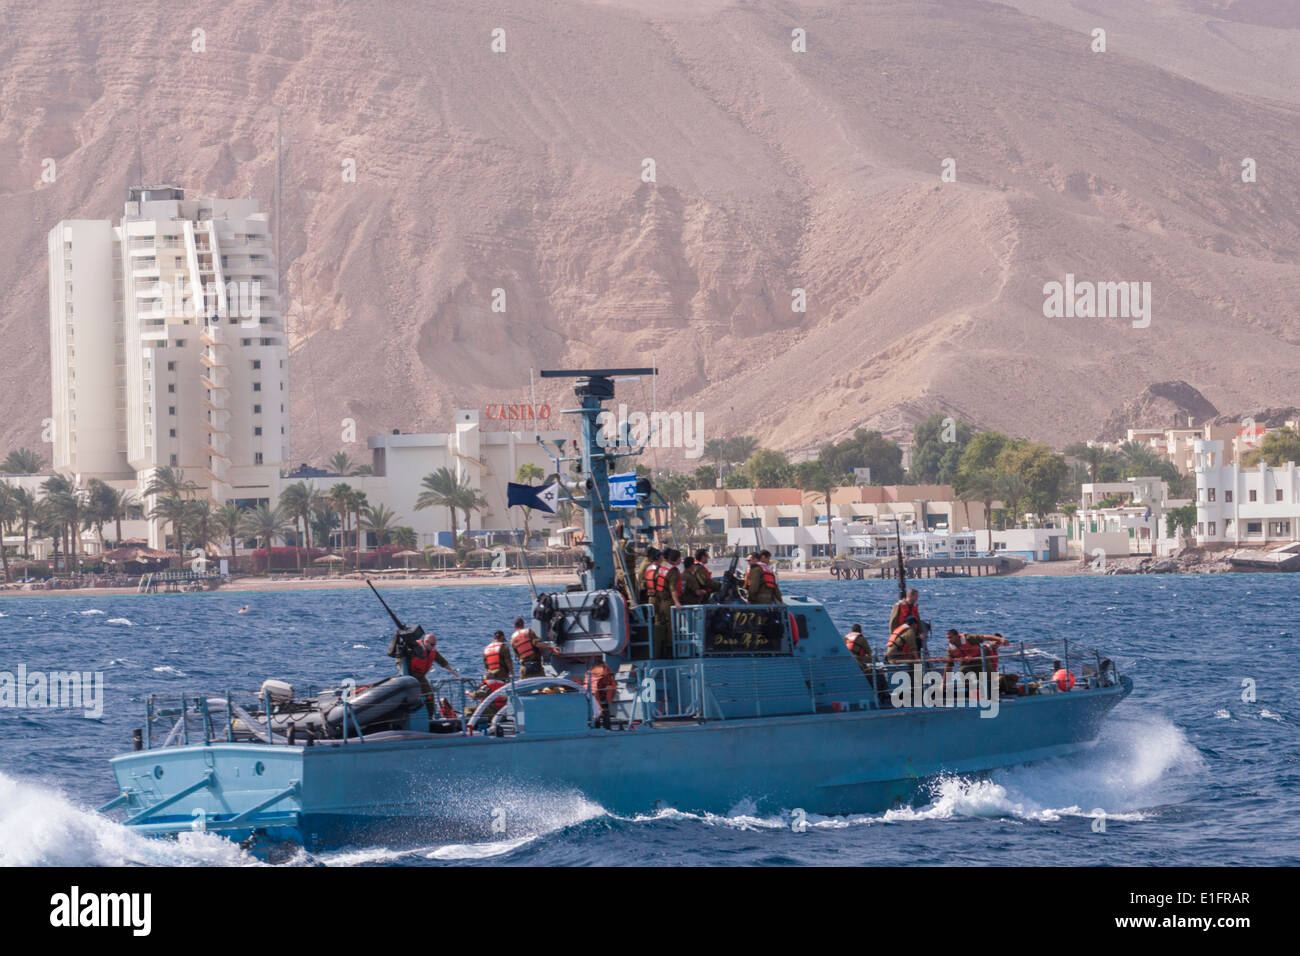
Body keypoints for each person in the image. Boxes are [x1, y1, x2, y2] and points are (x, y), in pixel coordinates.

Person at [406, 633, 461, 717]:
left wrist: (452, 671)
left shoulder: (432, 650)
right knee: (428, 694)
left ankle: (429, 716)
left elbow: (441, 660)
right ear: (426, 642)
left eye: (435, 644)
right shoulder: (416, 647)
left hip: (421, 675)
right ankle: (427, 716)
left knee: (429, 695)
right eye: (432, 644)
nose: (434, 646)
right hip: (413, 674)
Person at [648, 548, 683, 658]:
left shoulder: (661, 567)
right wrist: (677, 602)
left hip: (658, 601)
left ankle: (657, 651)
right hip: (668, 602)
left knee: (658, 625)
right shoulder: (673, 571)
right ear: (676, 559)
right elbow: (673, 589)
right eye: (680, 558)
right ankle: (670, 651)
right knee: (672, 626)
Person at [585, 656, 617, 729]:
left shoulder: (603, 677)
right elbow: (595, 690)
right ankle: (600, 727)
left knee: (604, 713)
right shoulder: (598, 676)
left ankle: (604, 727)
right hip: (596, 698)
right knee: (599, 714)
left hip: (600, 698)